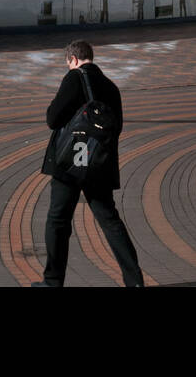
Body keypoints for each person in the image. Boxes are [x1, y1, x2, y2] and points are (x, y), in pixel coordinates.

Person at [34, 40, 144, 288]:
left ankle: (52, 282)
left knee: (59, 221)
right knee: (110, 220)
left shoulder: (73, 79)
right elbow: (116, 128)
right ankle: (134, 281)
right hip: (99, 164)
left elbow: (53, 119)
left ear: (72, 59)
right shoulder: (111, 87)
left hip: (70, 164)